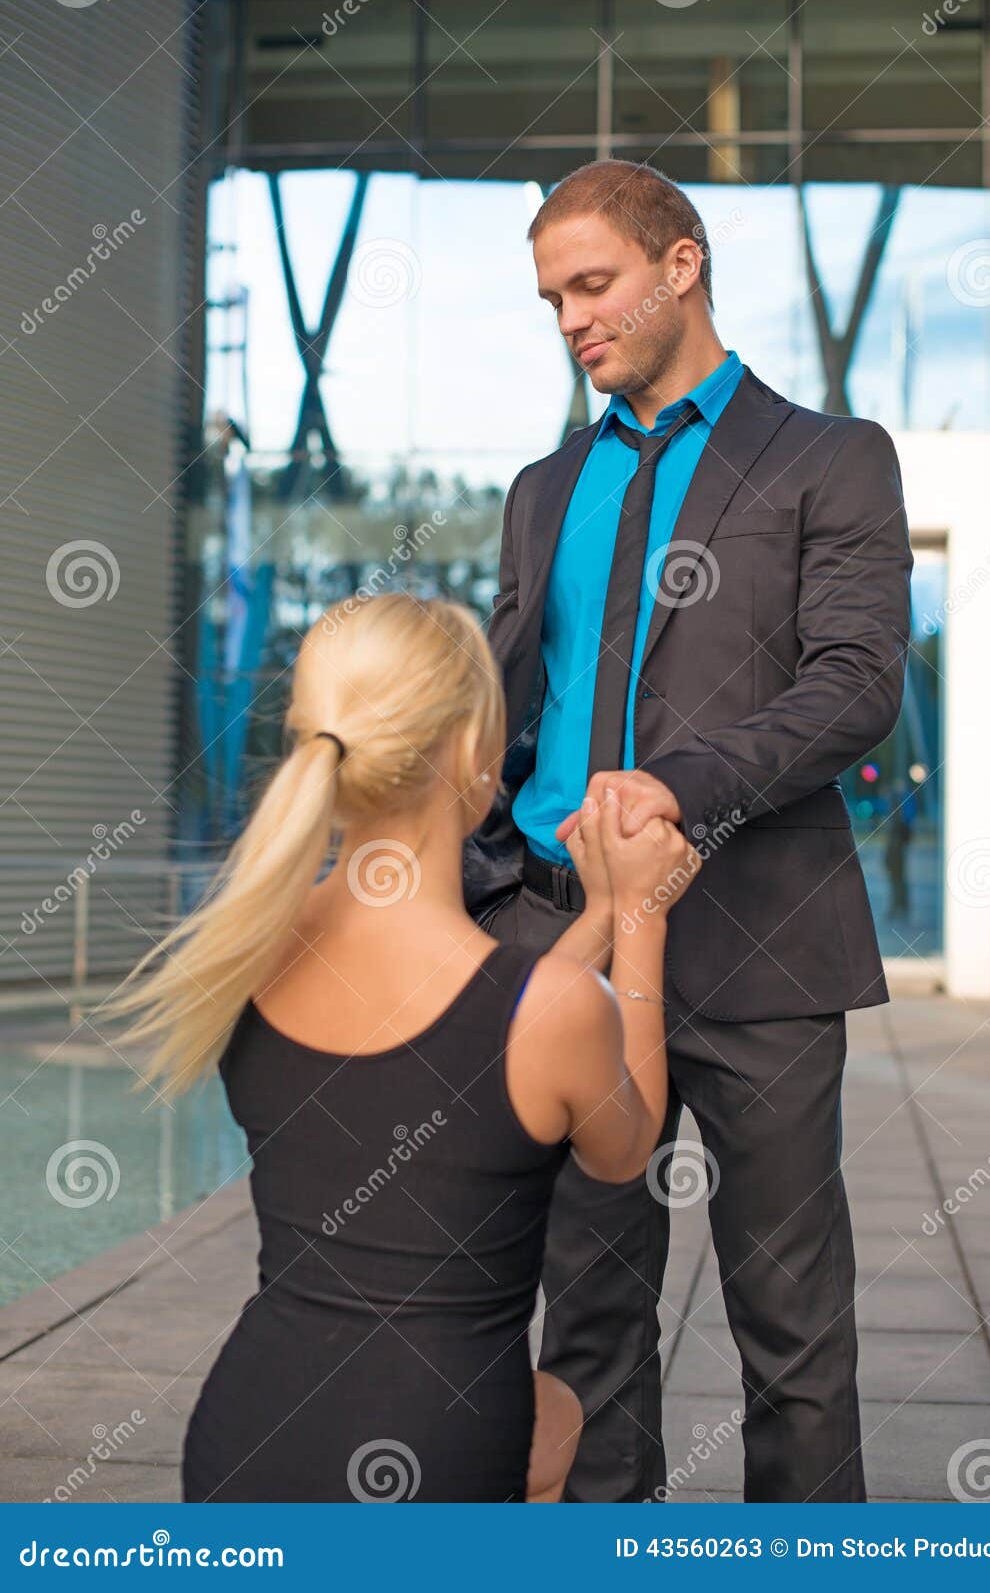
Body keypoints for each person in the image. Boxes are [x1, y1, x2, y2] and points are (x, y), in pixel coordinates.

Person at [463, 159, 914, 1502]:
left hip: (759, 936)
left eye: (591, 285)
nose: (570, 320)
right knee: (587, 1321)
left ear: (682, 263)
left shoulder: (832, 455)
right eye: (550, 299)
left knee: (792, 1325)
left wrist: (679, 778)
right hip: (566, 943)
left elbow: (855, 682)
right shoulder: (545, 487)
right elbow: (508, 708)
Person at [99, 591, 701, 1502]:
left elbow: (477, 1036)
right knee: (561, 1413)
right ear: (470, 752)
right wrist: (645, 917)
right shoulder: (548, 1011)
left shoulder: (246, 945)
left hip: (245, 1440)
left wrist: (604, 914)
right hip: (438, 1456)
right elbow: (625, 1140)